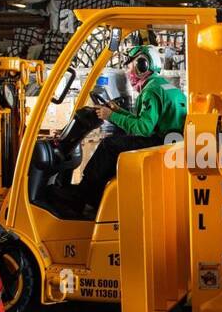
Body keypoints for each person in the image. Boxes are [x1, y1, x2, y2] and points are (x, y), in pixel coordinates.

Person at [56, 37, 187, 215]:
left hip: (162, 142)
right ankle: (97, 198)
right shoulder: (161, 85)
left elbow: (143, 128)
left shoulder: (150, 91)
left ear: (143, 65)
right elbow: (145, 120)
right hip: (169, 140)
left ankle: (82, 195)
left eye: (130, 65)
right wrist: (118, 112)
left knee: (109, 146)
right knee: (117, 144)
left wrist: (112, 116)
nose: (128, 71)